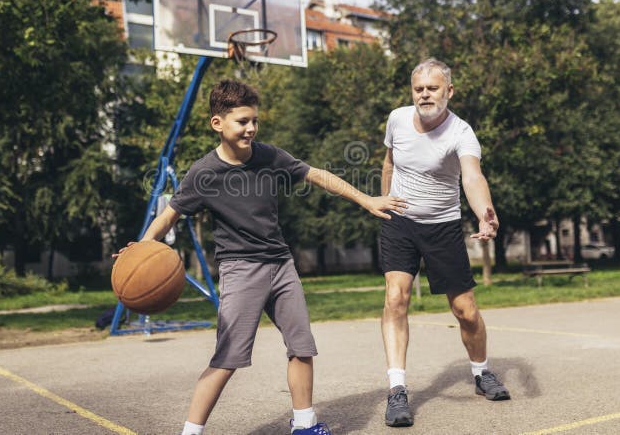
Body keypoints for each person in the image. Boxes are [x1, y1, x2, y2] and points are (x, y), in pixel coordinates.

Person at [115, 80, 406, 435]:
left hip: (281, 265)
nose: (251, 128)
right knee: (227, 360)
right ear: (218, 123)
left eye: (254, 120)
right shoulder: (204, 173)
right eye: (242, 121)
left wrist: (366, 199)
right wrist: (143, 248)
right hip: (241, 270)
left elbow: (317, 175)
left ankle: (304, 425)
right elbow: (168, 216)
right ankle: (191, 432)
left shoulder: (269, 156)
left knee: (301, 346)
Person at [378, 58, 510, 428]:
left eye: (432, 88)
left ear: (448, 91)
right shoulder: (397, 119)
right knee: (395, 298)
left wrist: (485, 213)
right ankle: (397, 389)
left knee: (465, 310)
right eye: (418, 88)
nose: (424, 95)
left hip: (443, 226)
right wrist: (383, 201)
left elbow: (472, 177)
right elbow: (389, 162)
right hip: (399, 222)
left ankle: (482, 373)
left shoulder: (461, 133)